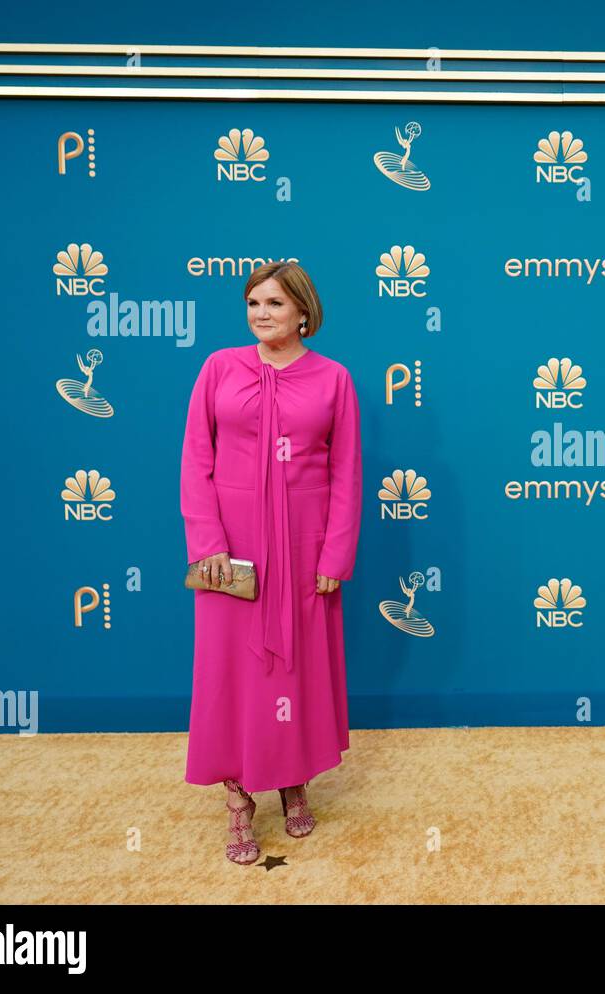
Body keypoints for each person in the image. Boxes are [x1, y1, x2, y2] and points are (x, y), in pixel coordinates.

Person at [180, 261, 364, 864]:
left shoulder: (334, 378)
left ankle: (292, 781)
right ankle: (237, 797)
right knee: (231, 670)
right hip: (231, 546)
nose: (262, 314)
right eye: (254, 302)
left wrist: (335, 552)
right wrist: (207, 542)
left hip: (304, 543)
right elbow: (195, 460)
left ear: (303, 312)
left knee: (295, 667)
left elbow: (345, 473)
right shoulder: (217, 368)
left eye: (276, 304)